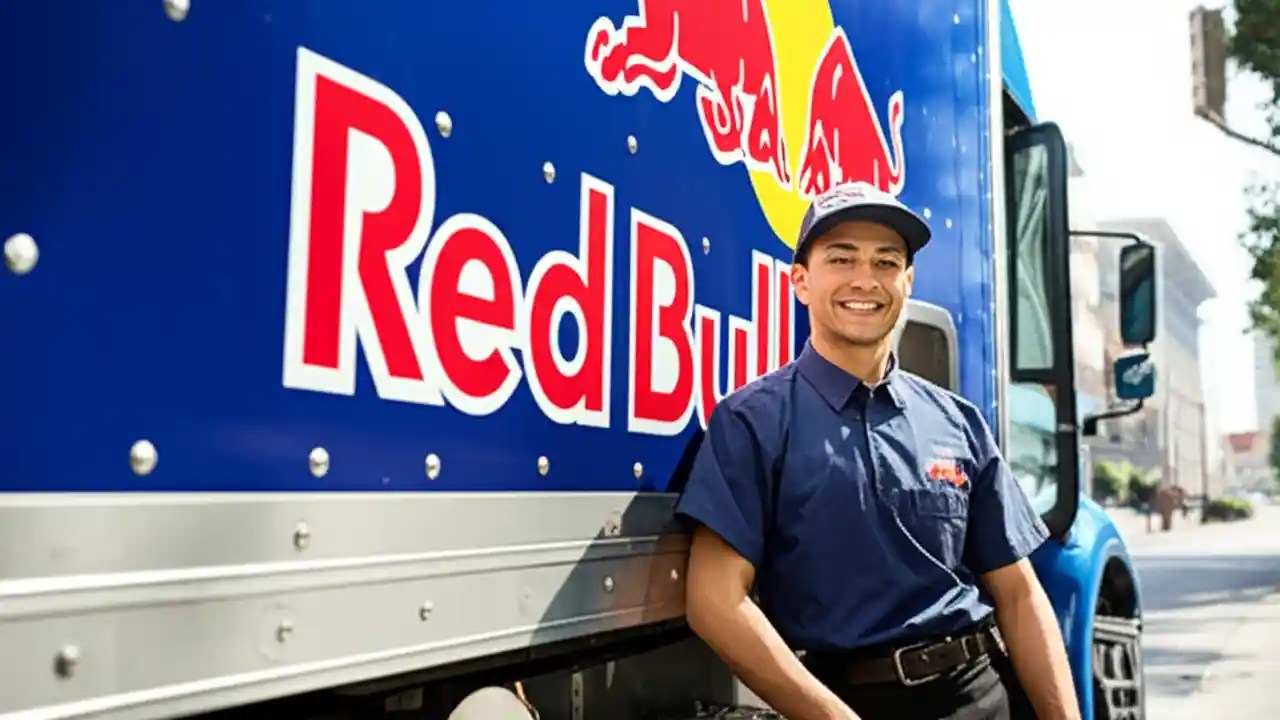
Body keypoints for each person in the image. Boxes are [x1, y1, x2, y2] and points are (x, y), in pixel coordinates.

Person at [674, 181, 1081, 720]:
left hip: (976, 696)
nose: (865, 280)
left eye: (886, 263)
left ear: (907, 282)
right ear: (800, 281)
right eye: (841, 258)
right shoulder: (752, 423)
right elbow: (715, 601)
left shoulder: (959, 423)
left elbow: (1019, 595)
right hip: (844, 701)